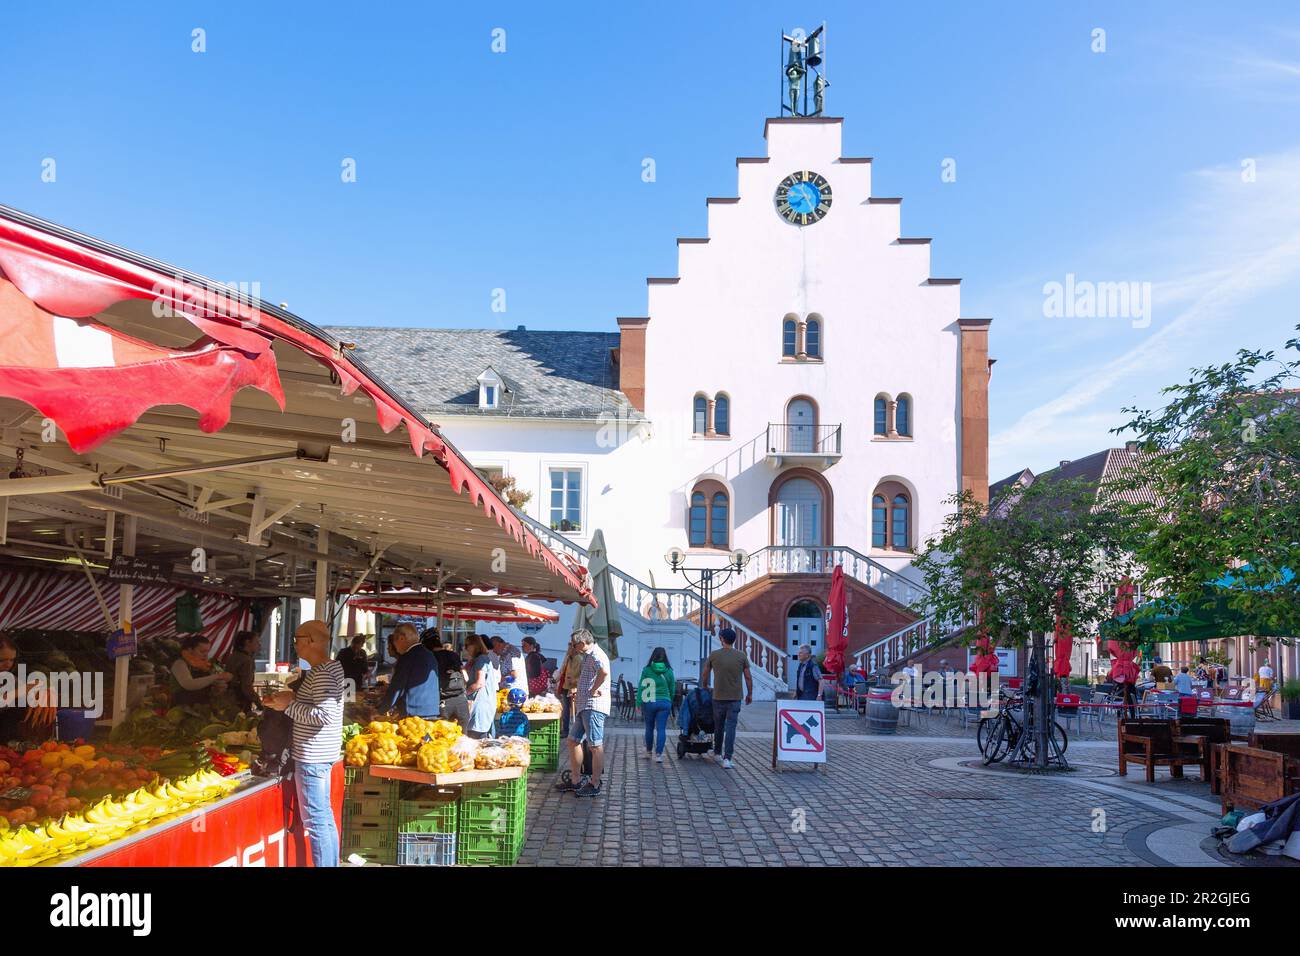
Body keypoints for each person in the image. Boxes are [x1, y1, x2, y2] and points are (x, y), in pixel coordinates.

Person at [262, 620, 345, 868]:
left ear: (311, 640)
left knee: (317, 822)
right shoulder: (330, 669)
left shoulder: (322, 672)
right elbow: (319, 704)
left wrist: (287, 706)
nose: (295, 643)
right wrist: (292, 697)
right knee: (324, 819)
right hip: (321, 753)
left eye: (297, 638)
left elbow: (323, 715)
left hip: (313, 756)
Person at [562, 629, 609, 796]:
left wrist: (593, 690)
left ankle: (594, 783)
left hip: (593, 706)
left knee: (595, 746)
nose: (573, 648)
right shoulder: (589, 655)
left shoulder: (595, 654)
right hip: (584, 705)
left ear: (582, 643)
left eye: (574, 645)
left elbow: (603, 672)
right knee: (572, 741)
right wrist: (579, 690)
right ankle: (576, 780)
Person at [701, 628, 752, 769]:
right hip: (735, 697)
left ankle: (717, 753)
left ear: (722, 638)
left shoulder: (714, 655)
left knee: (718, 726)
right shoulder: (741, 656)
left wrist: (705, 686)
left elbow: (705, 673)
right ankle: (727, 758)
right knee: (731, 728)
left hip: (718, 696)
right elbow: (748, 677)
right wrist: (750, 694)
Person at [379, 623, 441, 719]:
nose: (395, 646)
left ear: (401, 638)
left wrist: (381, 711)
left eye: (394, 642)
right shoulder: (430, 655)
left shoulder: (407, 658)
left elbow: (396, 688)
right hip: (432, 711)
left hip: (413, 714)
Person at [422, 629, 469, 726]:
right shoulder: (453, 655)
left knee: (443, 738)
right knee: (463, 740)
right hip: (461, 702)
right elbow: (466, 677)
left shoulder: (429, 657)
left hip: (442, 703)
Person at [170, 634, 233, 705]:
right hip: (181, 709)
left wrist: (217, 690)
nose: (206, 655)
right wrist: (217, 676)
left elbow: (209, 692)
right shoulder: (180, 663)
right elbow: (188, 684)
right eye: (202, 651)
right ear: (190, 650)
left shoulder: (205, 666)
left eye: (207, 651)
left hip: (201, 708)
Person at [639, 646, 675, 762]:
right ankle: (659, 754)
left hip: (650, 702)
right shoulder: (669, 671)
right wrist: (671, 700)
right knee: (661, 729)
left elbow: (642, 687)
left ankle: (649, 752)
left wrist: (638, 702)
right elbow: (672, 689)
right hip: (665, 702)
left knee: (649, 728)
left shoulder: (647, 670)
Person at [464, 634, 500, 739]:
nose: (465, 648)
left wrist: (464, 693)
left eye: (467, 645)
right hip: (483, 704)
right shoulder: (478, 660)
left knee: (477, 738)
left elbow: (479, 683)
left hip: (481, 705)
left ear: (474, 645)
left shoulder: (481, 660)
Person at [224, 630, 262, 712]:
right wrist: (259, 703)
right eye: (257, 642)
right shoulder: (246, 660)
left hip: (228, 697)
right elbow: (246, 686)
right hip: (240, 699)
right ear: (248, 642)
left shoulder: (232, 656)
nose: (259, 644)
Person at [555, 635, 583, 739]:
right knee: (565, 710)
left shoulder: (579, 659)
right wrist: (555, 680)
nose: (568, 650)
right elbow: (562, 670)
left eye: (570, 648)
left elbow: (582, 675)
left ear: (575, 648)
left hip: (574, 688)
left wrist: (574, 681)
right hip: (565, 687)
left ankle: (576, 732)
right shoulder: (568, 658)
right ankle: (565, 730)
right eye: (568, 648)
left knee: (575, 712)